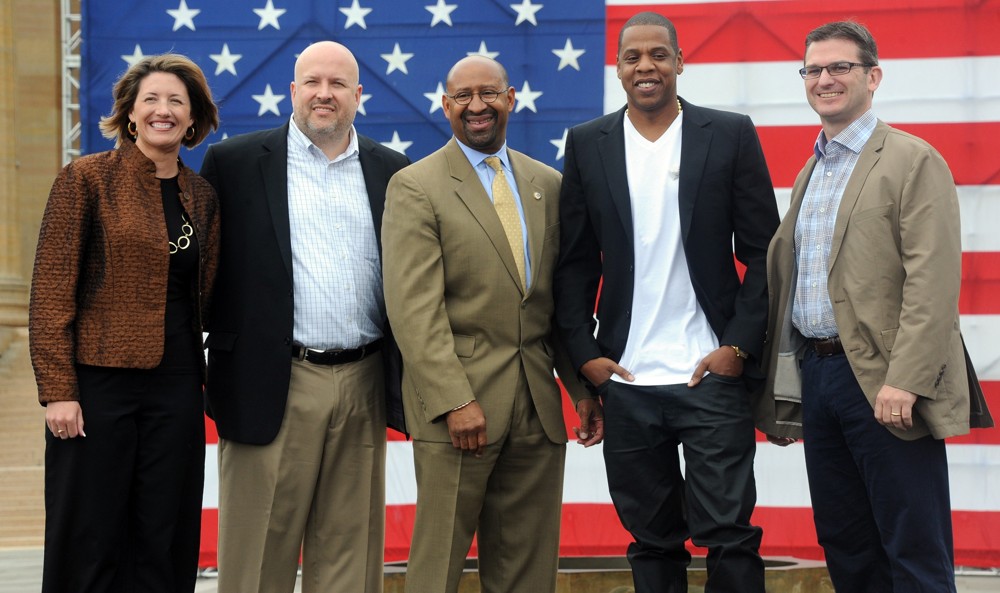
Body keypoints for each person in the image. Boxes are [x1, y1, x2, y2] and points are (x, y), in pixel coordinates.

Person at [755, 20, 994, 593]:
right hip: (819, 378)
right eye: (813, 70)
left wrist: (906, 381)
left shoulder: (912, 160)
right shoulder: (812, 170)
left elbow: (932, 284)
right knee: (847, 545)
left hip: (885, 383)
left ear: (873, 76)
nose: (825, 79)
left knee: (912, 547)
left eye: (840, 67)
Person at [553, 11, 779, 593]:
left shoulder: (728, 133)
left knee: (728, 533)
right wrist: (584, 357)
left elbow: (763, 253)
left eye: (658, 54)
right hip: (626, 380)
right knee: (652, 542)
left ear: (680, 61)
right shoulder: (588, 144)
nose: (646, 66)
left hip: (711, 375)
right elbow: (574, 263)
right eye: (633, 57)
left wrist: (736, 347)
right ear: (619, 68)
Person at [198, 41, 409, 593]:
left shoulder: (394, 172)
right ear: (293, 91)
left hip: (363, 382)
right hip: (271, 380)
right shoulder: (235, 164)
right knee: (256, 555)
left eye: (337, 84)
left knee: (349, 554)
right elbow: (200, 274)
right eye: (312, 82)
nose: (324, 94)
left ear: (358, 96)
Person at [382, 55, 596, 593]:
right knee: (438, 567)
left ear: (511, 98)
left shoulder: (547, 182)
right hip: (459, 411)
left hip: (537, 411)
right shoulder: (415, 186)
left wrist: (582, 389)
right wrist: (455, 400)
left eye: (489, 93)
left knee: (527, 569)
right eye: (463, 97)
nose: (477, 106)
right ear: (446, 105)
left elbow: (557, 303)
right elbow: (414, 310)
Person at [29, 53, 219, 593]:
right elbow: (49, 295)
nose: (164, 110)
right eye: (151, 100)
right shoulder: (85, 179)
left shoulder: (202, 196)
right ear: (130, 115)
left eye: (176, 101)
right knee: (90, 533)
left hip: (177, 386)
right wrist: (58, 392)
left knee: (164, 532)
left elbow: (207, 293)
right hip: (96, 387)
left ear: (192, 117)